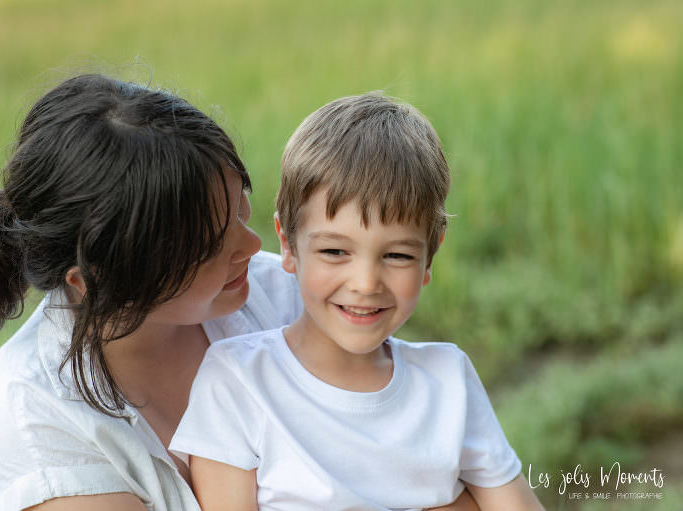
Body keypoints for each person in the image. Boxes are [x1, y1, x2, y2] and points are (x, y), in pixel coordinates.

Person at [0, 75, 482, 511]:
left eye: (239, 210)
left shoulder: (278, 294)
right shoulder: (37, 421)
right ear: (99, 281)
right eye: (210, 244)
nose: (253, 245)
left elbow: (435, 470)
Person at [170, 94, 546, 510]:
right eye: (334, 252)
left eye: (398, 255)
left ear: (429, 256)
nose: (366, 284)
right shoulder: (237, 382)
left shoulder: (449, 380)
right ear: (287, 243)